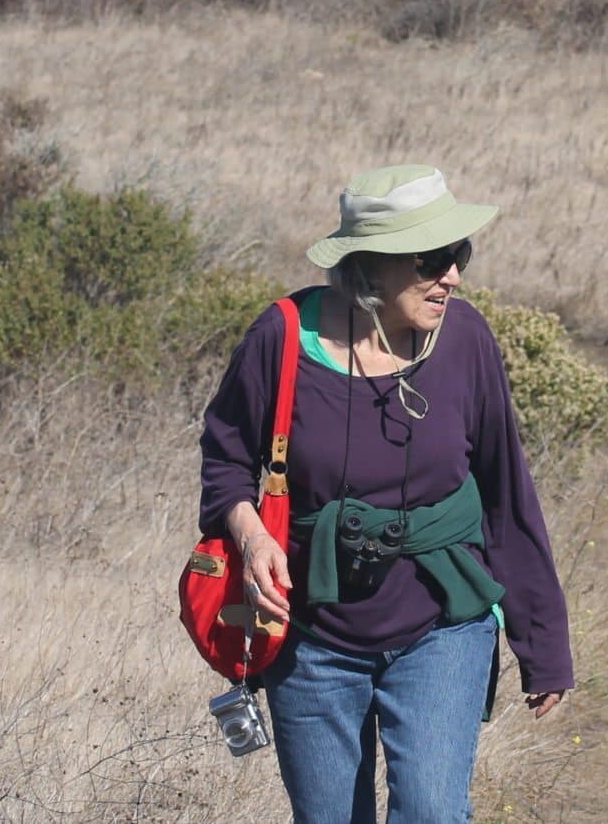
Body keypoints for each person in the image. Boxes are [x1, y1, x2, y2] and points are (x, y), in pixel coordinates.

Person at [199, 164, 573, 824]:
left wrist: (541, 644)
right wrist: (251, 532)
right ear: (369, 267)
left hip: (442, 624)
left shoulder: (465, 341)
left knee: (431, 811)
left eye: (457, 255)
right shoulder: (281, 339)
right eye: (431, 260)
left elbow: (505, 495)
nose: (452, 276)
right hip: (311, 638)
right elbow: (227, 458)